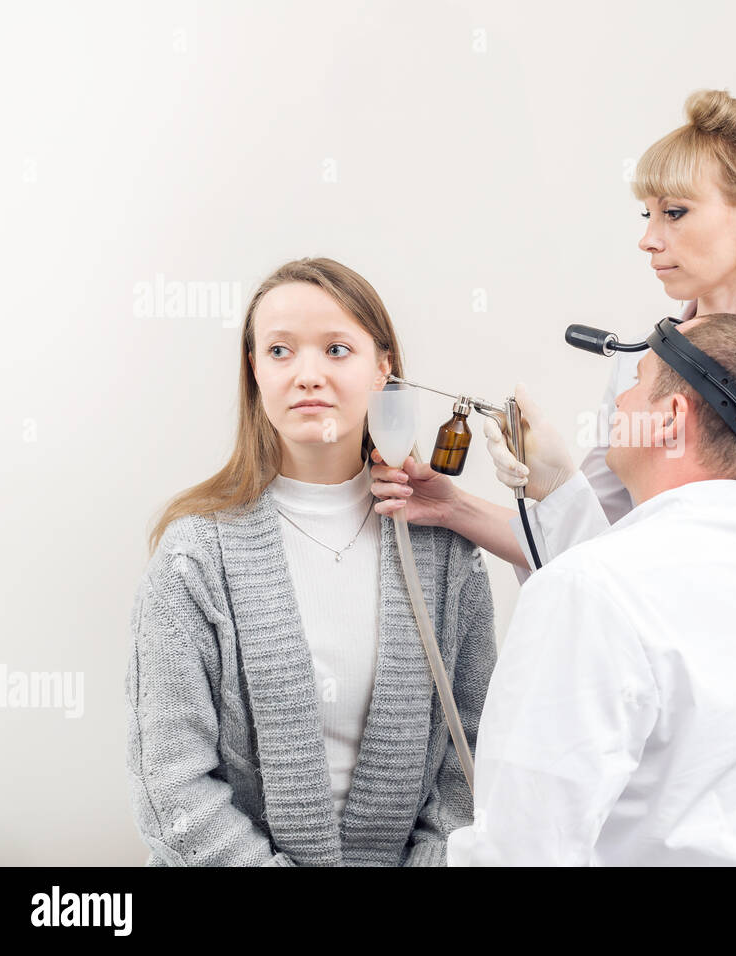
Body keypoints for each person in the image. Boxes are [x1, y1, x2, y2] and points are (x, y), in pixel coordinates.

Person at [371, 90, 736, 865]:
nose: (650, 240)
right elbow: (589, 544)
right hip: (667, 735)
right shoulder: (643, 362)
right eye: (645, 215)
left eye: (675, 213)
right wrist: (456, 507)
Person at [128, 257, 496, 866]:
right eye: (279, 351)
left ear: (384, 370)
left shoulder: (445, 550)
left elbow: (473, 760)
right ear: (254, 370)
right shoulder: (195, 554)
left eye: (336, 349)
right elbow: (172, 787)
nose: (307, 375)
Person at [445, 313, 736, 865]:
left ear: (672, 416)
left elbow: (523, 846)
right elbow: (656, 603)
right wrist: (558, 490)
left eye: (636, 382)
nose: (620, 405)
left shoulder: (591, 590)